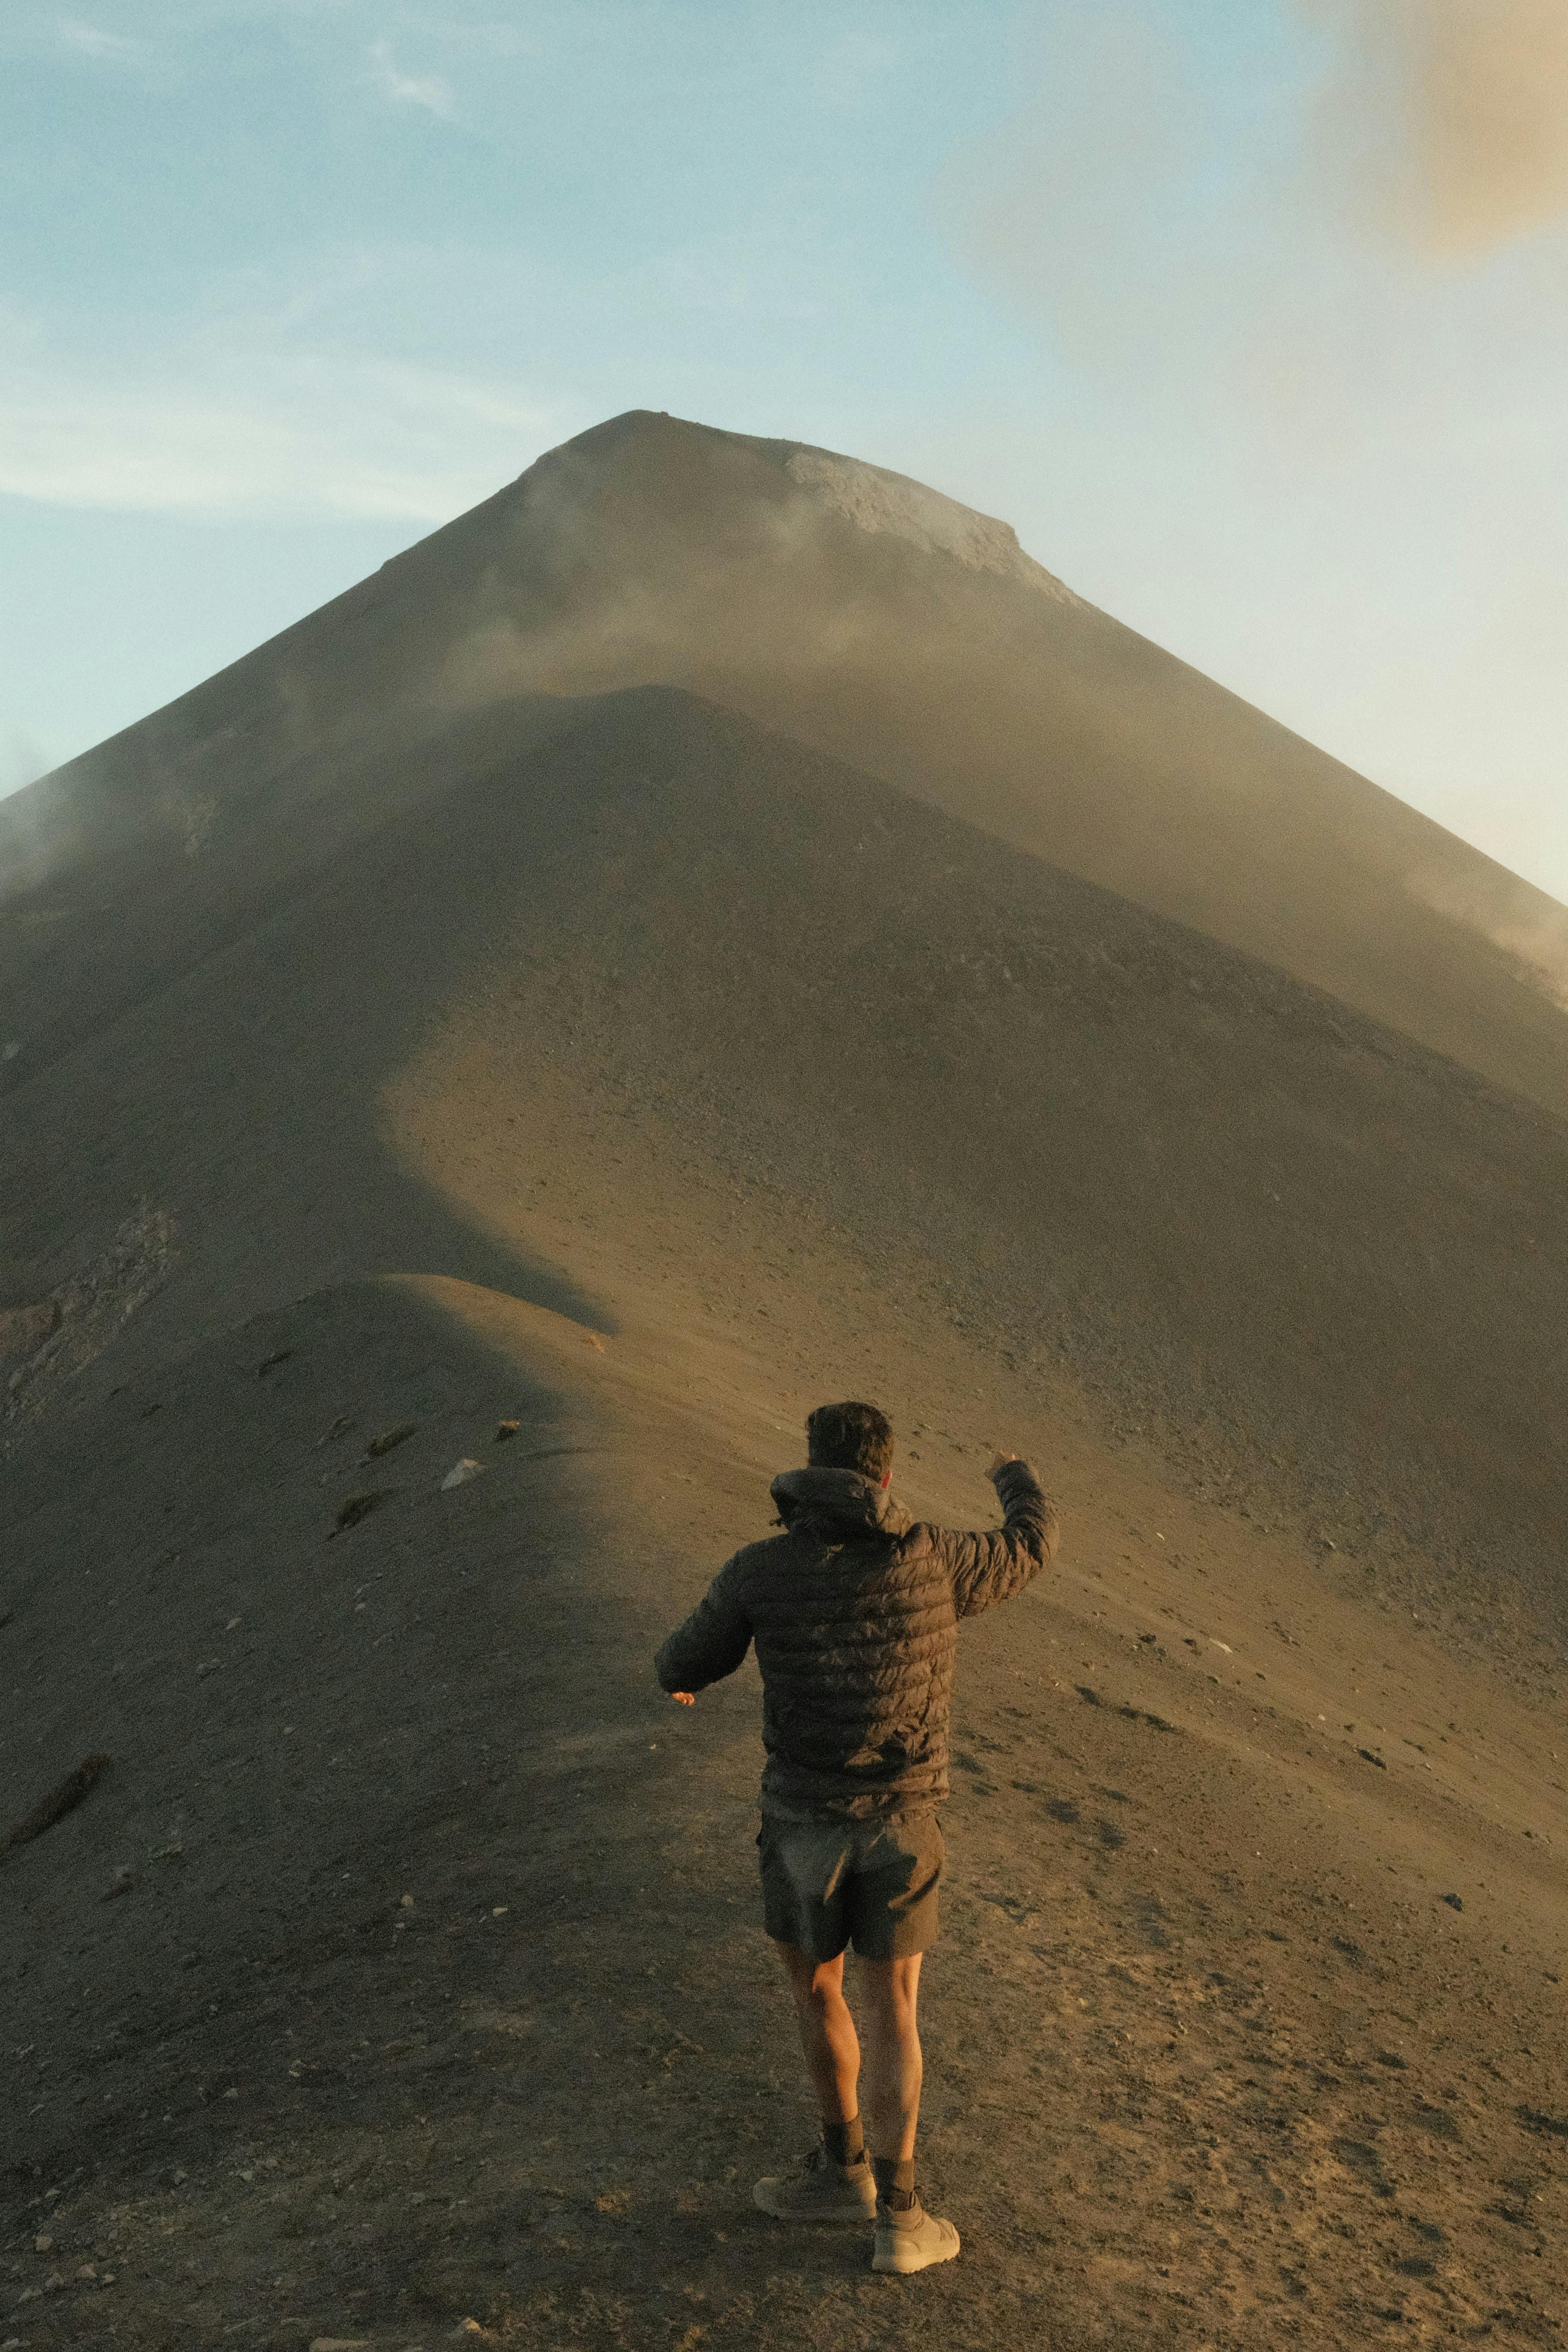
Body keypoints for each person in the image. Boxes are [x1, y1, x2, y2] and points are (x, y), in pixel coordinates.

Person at [654, 1399, 1058, 2275]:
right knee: (895, 2008)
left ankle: (843, 2173)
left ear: (810, 1470)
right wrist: (1012, 1475)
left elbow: (683, 1660)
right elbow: (1029, 1546)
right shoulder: (935, 1560)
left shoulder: (760, 1571)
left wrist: (680, 1683)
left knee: (819, 1994)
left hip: (802, 1821)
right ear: (884, 1476)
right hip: (904, 1821)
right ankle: (901, 2221)